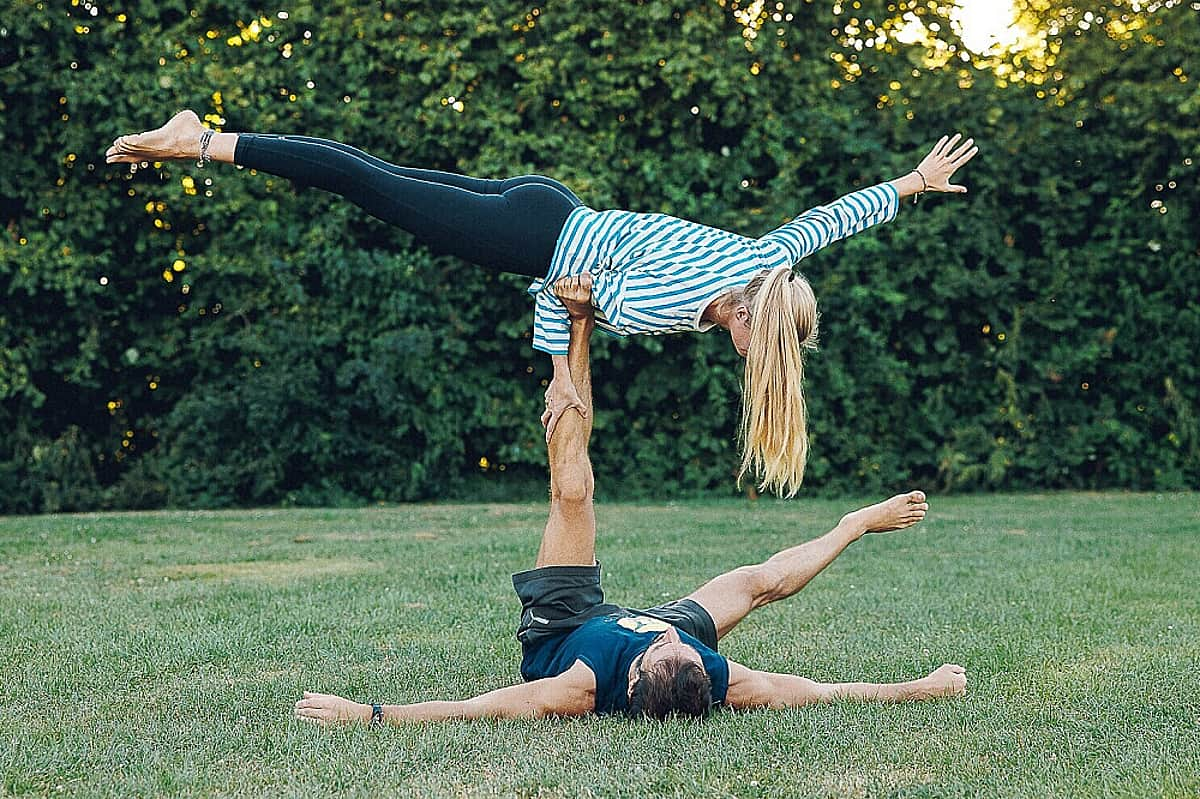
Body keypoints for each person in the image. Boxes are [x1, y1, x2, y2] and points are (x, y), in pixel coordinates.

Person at [106, 112, 978, 495]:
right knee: (367, 182)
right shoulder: (681, 305)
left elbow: (834, 218)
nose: (764, 364)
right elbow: (565, 295)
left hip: (550, 204)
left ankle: (208, 138)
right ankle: (206, 142)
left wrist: (912, 182)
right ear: (758, 326)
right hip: (538, 242)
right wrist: (563, 365)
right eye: (773, 353)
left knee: (391, 176)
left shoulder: (764, 257)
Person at [292, 276, 966, 725]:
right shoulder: (704, 668)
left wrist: (369, 713)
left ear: (642, 672)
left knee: (573, 490)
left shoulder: (577, 687)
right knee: (761, 584)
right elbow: (819, 691)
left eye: (667, 648)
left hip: (564, 625)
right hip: (630, 624)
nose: (678, 640)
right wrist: (919, 687)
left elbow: (479, 707)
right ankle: (852, 522)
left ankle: (576, 326)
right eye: (687, 646)